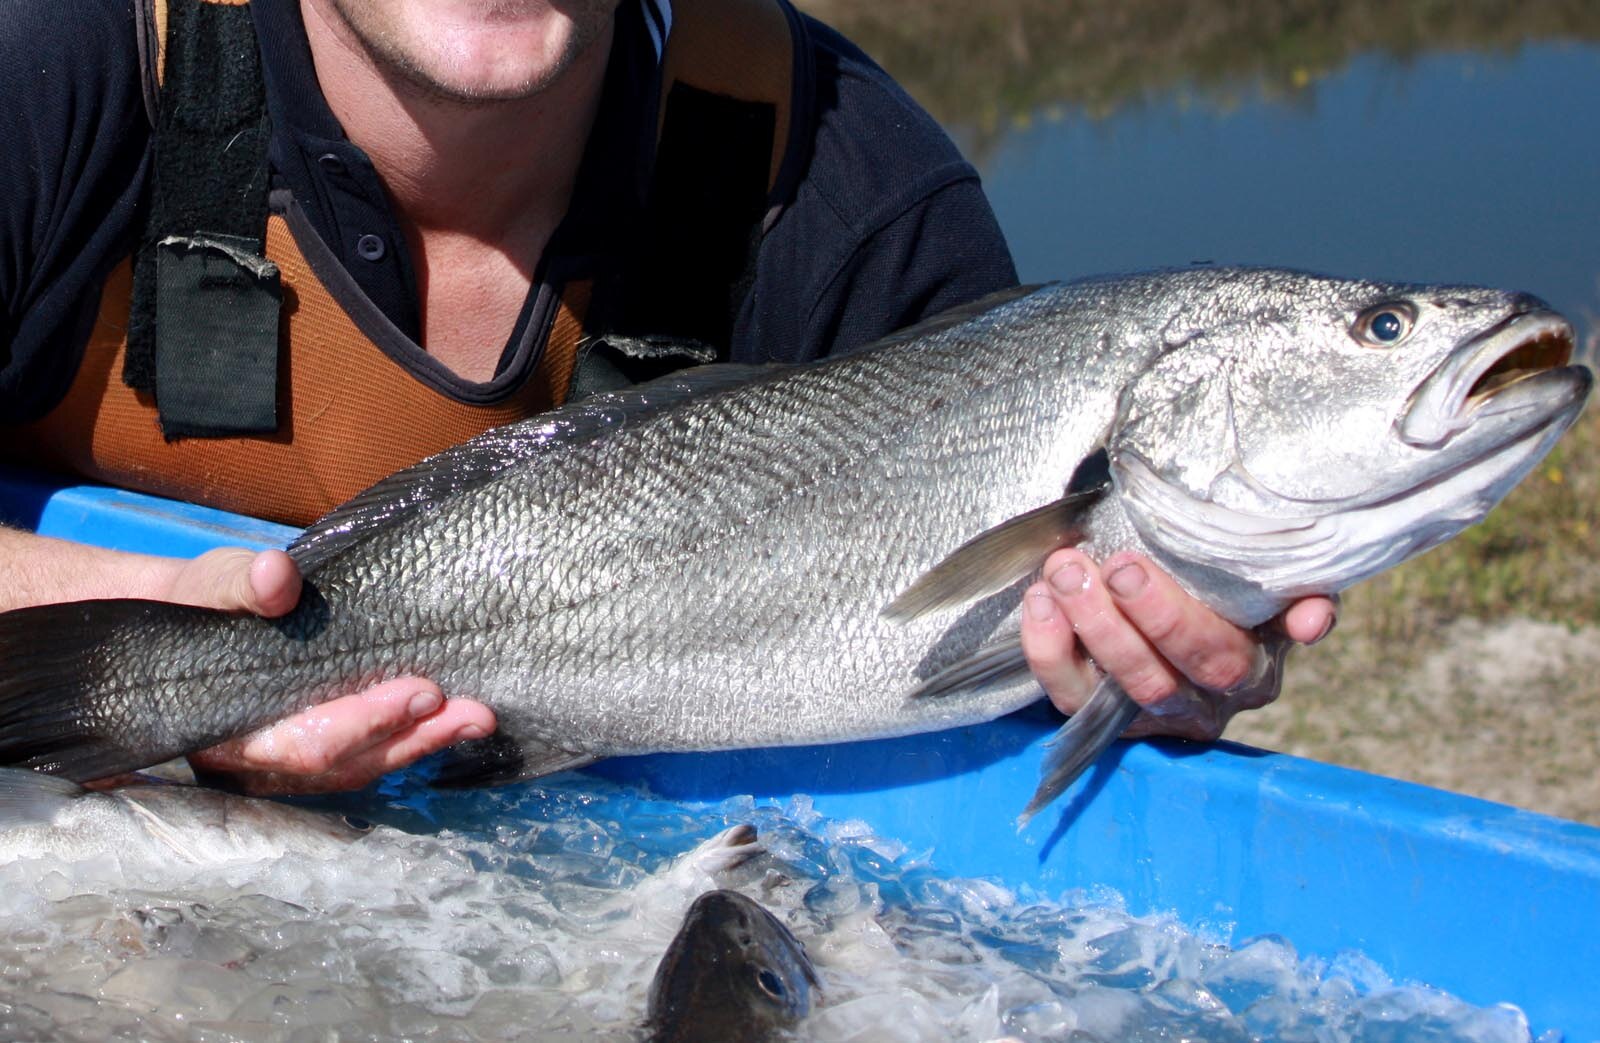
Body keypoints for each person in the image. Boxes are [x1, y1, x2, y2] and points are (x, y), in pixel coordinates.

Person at [0, 0, 1335, 795]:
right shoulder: (54, 72)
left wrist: (1151, 664)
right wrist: (147, 652)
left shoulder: (843, 186)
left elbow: (997, 673)